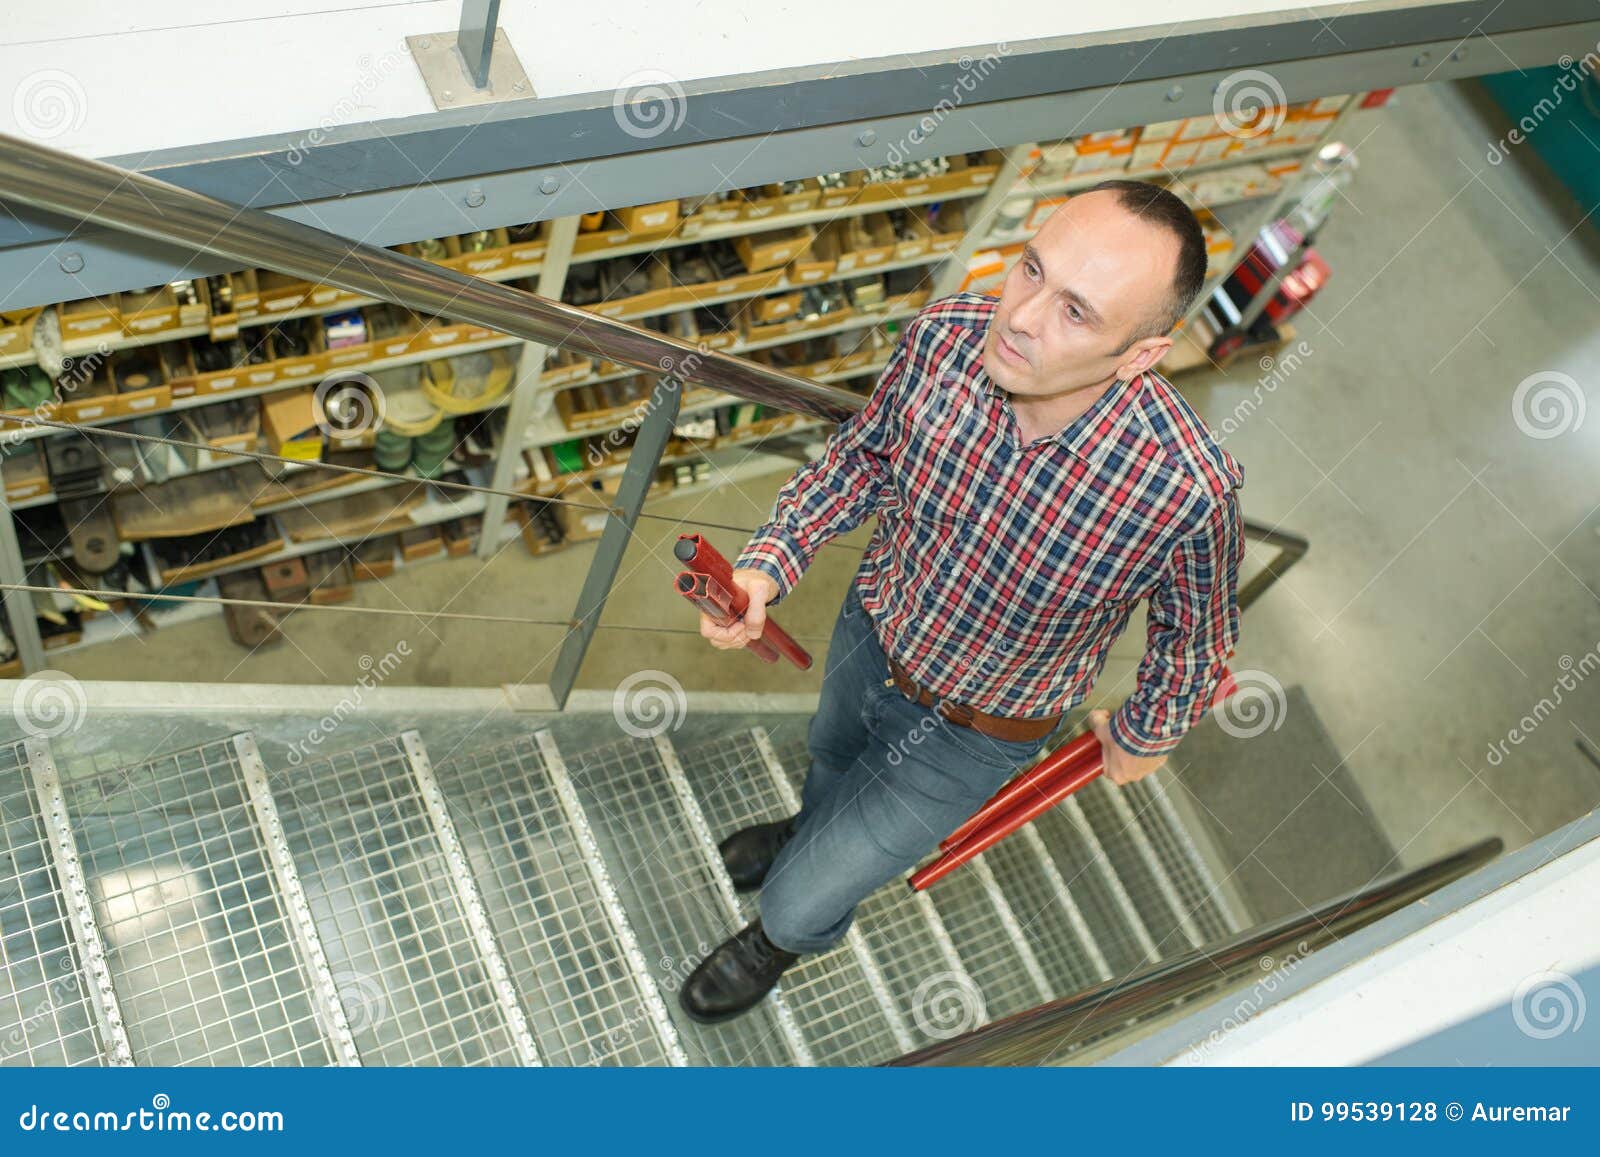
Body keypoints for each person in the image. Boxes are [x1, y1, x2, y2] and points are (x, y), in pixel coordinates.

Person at [679, 180, 1245, 1024]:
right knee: (828, 759)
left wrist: (1146, 731)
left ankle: (780, 936)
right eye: (1030, 271)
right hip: (873, 632)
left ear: (1139, 356)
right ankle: (807, 829)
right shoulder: (945, 342)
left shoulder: (1186, 487)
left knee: (802, 898)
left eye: (1077, 313)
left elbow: (1194, 643)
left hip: (978, 733)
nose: (1019, 316)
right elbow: (863, 459)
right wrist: (768, 564)